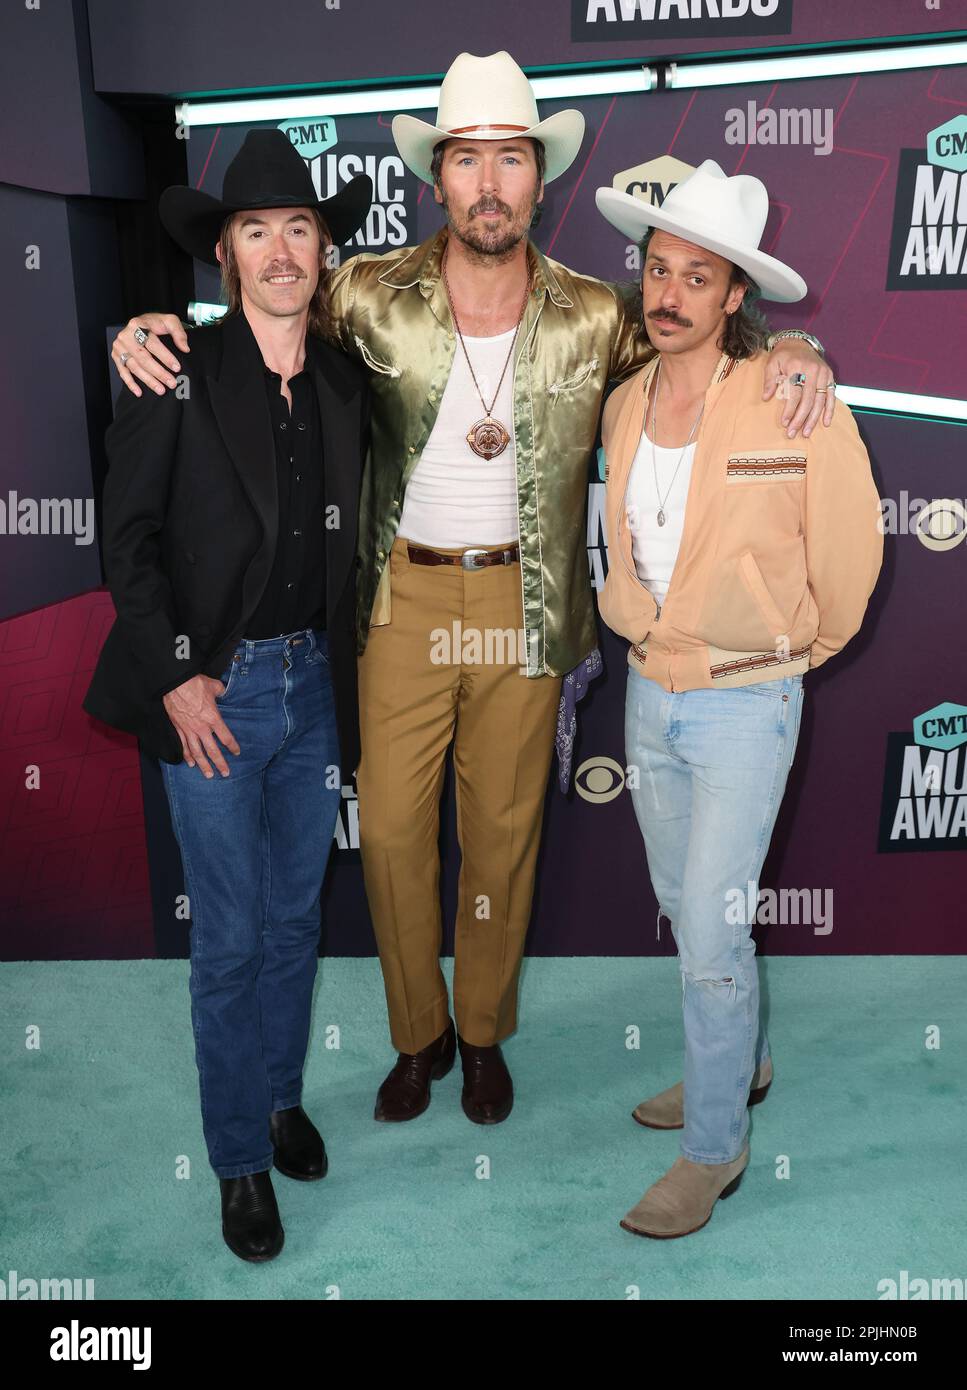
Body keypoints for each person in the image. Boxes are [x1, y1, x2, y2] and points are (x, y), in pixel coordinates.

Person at [108, 52, 833, 1131]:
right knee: (394, 836)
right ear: (435, 178)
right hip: (395, 603)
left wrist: (796, 349)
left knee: (502, 831)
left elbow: (708, 331)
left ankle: (483, 1031)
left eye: (509, 160)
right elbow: (258, 333)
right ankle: (420, 1035)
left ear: (537, 180)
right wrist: (144, 327)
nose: (488, 183)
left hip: (526, 605)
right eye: (466, 161)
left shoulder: (599, 312)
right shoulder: (364, 291)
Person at [84, 131, 373, 1261]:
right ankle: (238, 1162)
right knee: (234, 939)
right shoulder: (174, 367)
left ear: (322, 246)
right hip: (214, 694)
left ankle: (275, 1097)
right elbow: (130, 542)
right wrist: (175, 681)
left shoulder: (348, 382)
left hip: (312, 688)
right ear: (225, 254)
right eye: (256, 230)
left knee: (297, 920)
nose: (281, 249)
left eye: (299, 227)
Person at [594, 160, 883, 1238]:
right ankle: (742, 1062)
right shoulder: (623, 403)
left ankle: (712, 1148)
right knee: (688, 911)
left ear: (732, 297)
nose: (668, 294)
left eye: (695, 278)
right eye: (656, 271)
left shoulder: (787, 391)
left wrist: (790, 652)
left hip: (745, 703)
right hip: (647, 691)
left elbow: (850, 549)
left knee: (714, 931)